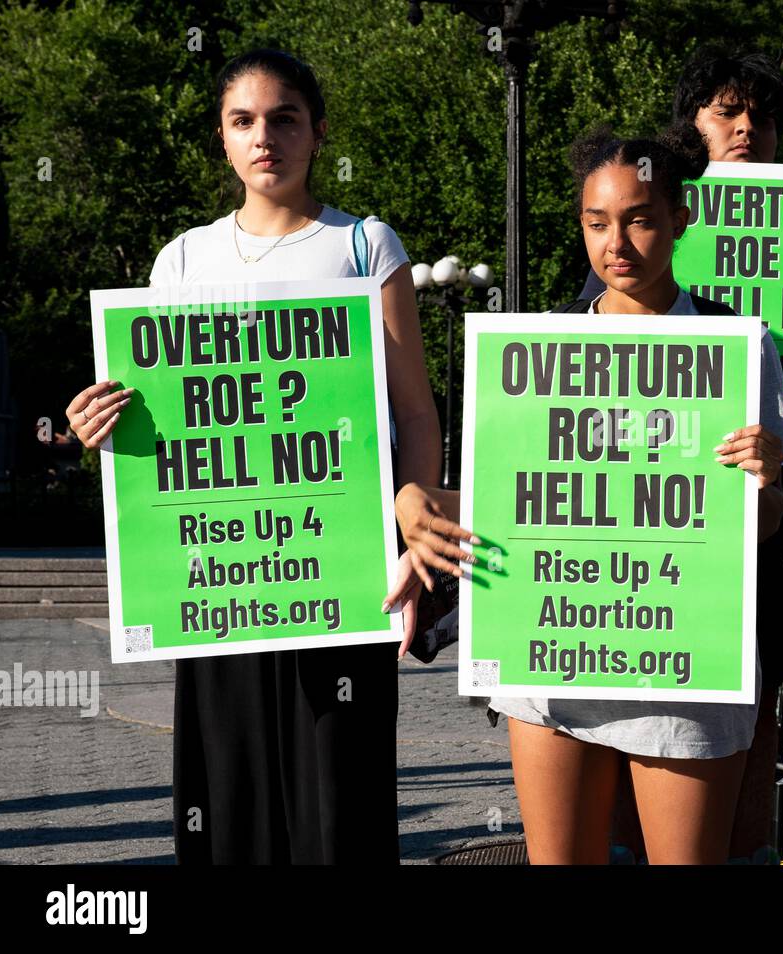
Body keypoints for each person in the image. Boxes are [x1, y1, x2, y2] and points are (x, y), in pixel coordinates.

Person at [65, 49, 476, 863]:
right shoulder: (183, 260)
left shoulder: (365, 245)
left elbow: (413, 411)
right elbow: (161, 426)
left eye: (284, 119)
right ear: (222, 139)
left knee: (340, 808)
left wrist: (413, 525)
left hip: (341, 582)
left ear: (318, 132)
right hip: (218, 588)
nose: (265, 137)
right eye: (243, 121)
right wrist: (99, 428)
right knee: (231, 807)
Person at [579, 45, 783, 862]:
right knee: (646, 692)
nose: (747, 127)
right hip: (660, 523)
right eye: (726, 111)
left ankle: (745, 850)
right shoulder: (640, 220)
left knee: (757, 694)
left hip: (781, 501)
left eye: (762, 115)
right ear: (690, 127)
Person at [487, 122, 783, 864]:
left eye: (639, 220)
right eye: (597, 223)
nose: (616, 243)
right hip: (558, 659)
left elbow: (765, 524)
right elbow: (506, 502)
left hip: (684, 666)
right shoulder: (538, 346)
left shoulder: (738, 344)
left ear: (682, 217)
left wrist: (764, 479)